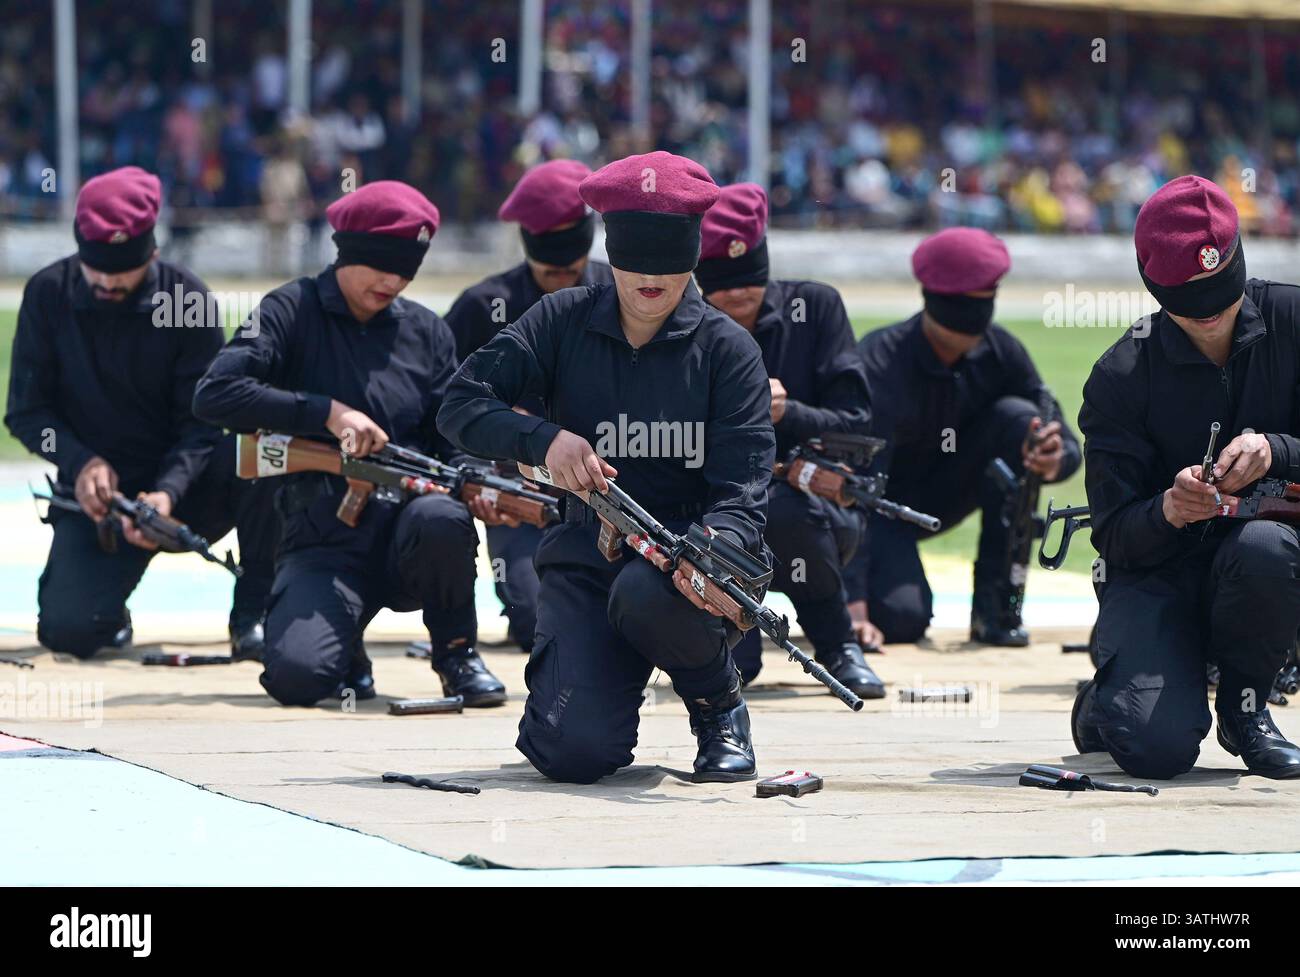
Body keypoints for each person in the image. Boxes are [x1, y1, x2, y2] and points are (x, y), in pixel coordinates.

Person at [438, 151, 775, 784]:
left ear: (693, 256)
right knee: (571, 754)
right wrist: (543, 441)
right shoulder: (559, 318)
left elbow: (743, 490)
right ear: (611, 253)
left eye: (667, 260)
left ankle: (718, 706)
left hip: (688, 569)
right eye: (634, 258)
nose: (650, 277)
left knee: (647, 595)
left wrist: (714, 551)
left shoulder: (729, 349)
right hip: (586, 557)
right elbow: (460, 405)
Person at [193, 180, 506, 708]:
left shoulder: (427, 332)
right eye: (382, 265)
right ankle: (344, 648)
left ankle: (457, 655)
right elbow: (215, 393)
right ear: (346, 253)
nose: (393, 281)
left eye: (406, 270)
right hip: (321, 542)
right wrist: (326, 413)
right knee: (298, 680)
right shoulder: (288, 311)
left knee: (443, 518)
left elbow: (451, 431)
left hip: (409, 531)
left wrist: (477, 478)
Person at [1073, 175, 1300, 780]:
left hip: (1270, 558)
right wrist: (1168, 509)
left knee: (1266, 548)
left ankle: (1245, 712)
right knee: (1156, 750)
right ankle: (1110, 697)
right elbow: (1113, 535)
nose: (1212, 316)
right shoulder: (1120, 376)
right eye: (1191, 305)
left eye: (1222, 294)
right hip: (1160, 573)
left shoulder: (1293, 320)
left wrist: (1277, 451)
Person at [4, 166, 273, 660]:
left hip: (190, 484)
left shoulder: (187, 299)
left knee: (257, 455)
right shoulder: (47, 292)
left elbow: (204, 422)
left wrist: (168, 491)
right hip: (100, 499)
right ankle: (108, 611)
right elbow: (26, 413)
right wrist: (80, 462)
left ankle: (254, 610)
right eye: (96, 268)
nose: (108, 280)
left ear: (152, 252)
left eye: (122, 269)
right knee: (69, 632)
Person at [845, 227, 1081, 647]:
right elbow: (855, 484)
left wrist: (1055, 456)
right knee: (901, 619)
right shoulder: (880, 362)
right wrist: (854, 605)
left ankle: (996, 608)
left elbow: (1061, 436)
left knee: (1019, 419)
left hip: (949, 491)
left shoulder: (1001, 351)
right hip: (881, 508)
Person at [696, 182, 882, 698]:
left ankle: (838, 643)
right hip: (713, 509)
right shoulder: (686, 324)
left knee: (786, 511)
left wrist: (788, 411)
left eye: (748, 280)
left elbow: (857, 423)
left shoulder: (816, 307)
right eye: (722, 285)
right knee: (737, 665)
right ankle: (725, 638)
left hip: (813, 505)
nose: (737, 295)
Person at [443, 159, 613, 655]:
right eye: (550, 272)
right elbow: (446, 407)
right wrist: (477, 475)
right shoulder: (482, 306)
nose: (562, 281)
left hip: (614, 485)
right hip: (520, 494)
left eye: (570, 271)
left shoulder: (623, 293)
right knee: (537, 618)